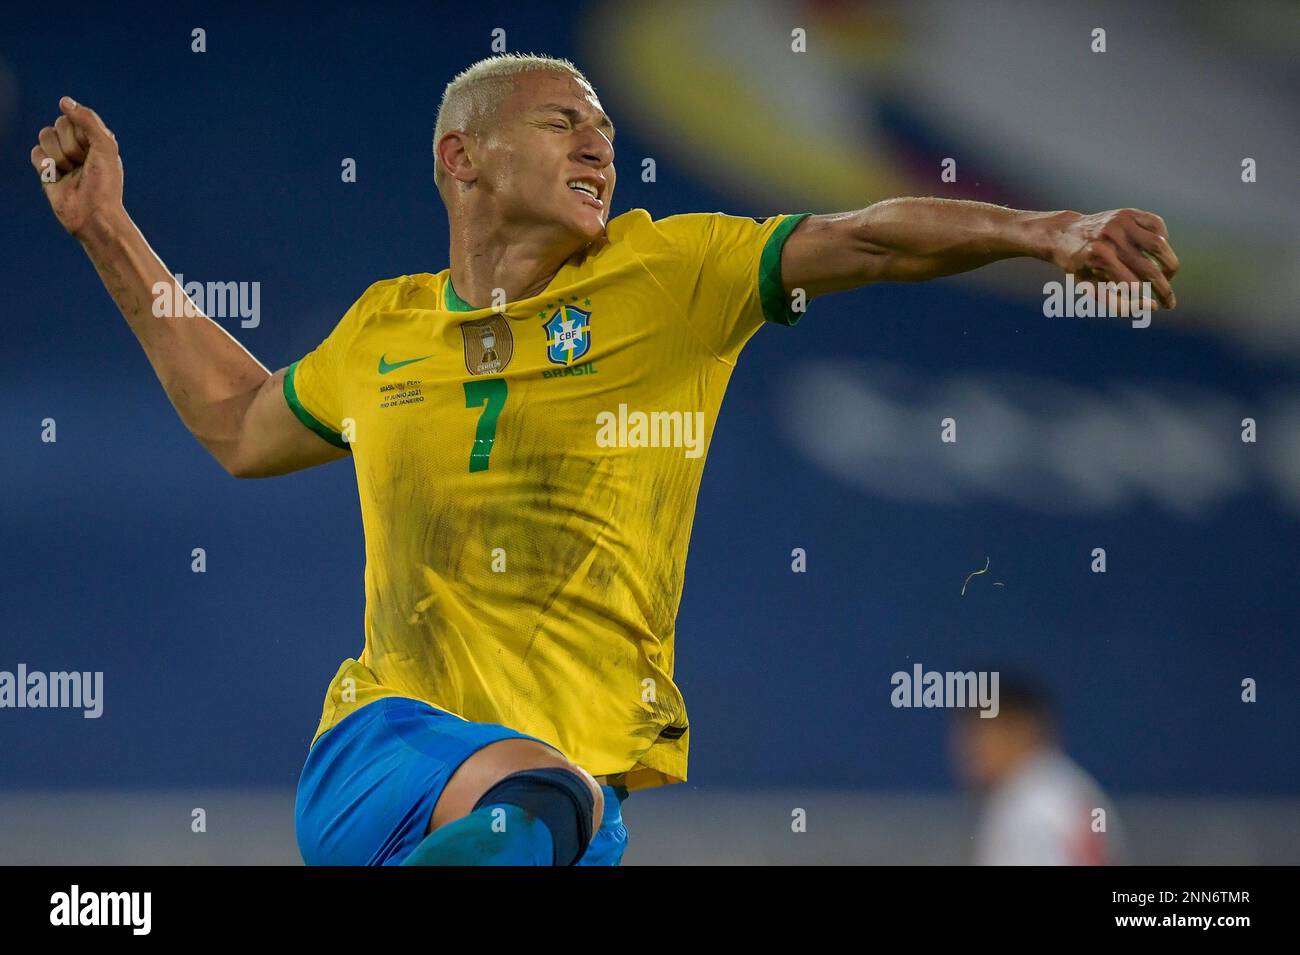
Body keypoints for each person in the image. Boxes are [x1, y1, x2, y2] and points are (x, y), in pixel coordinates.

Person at [31, 53, 1178, 865]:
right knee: (541, 789)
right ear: (462, 157)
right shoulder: (384, 330)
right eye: (563, 122)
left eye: (607, 132)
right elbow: (238, 423)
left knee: (557, 804)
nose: (599, 143)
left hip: (560, 824)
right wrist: (108, 232)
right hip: (388, 756)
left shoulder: (669, 278)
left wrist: (1046, 233)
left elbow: (865, 237)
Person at [951, 676, 1127, 865]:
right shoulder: (1070, 787)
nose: (969, 749)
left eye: (979, 734)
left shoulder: (1025, 806)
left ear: (1020, 729)